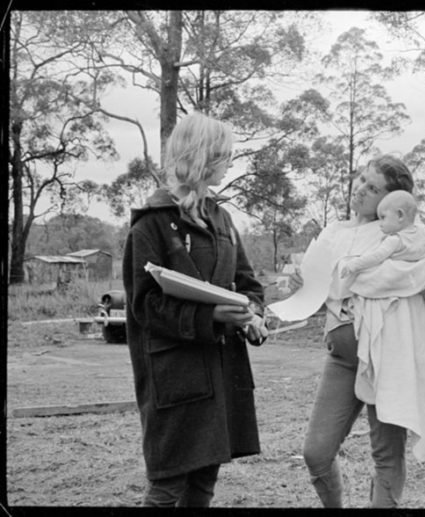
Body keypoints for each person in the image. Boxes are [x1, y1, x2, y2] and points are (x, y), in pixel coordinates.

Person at [122, 112, 268, 507]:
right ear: (202, 156)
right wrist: (212, 317)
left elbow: (248, 283)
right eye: (223, 155)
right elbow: (145, 306)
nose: (228, 163)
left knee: (204, 480)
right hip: (175, 374)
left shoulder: (221, 219)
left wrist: (252, 315)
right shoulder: (150, 226)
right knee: (168, 484)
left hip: (220, 369)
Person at [293, 155, 425, 508]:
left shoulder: (402, 235)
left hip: (386, 358)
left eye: (373, 187)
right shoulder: (334, 231)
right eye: (362, 179)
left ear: (393, 203)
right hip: (342, 359)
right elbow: (325, 291)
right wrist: (306, 285)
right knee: (316, 452)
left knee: (387, 456)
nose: (361, 189)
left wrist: (371, 279)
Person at [339, 190, 425, 278]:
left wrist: (353, 265)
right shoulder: (422, 232)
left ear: (400, 215)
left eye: (383, 217)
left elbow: (376, 257)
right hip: (417, 281)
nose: (380, 224)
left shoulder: (395, 240)